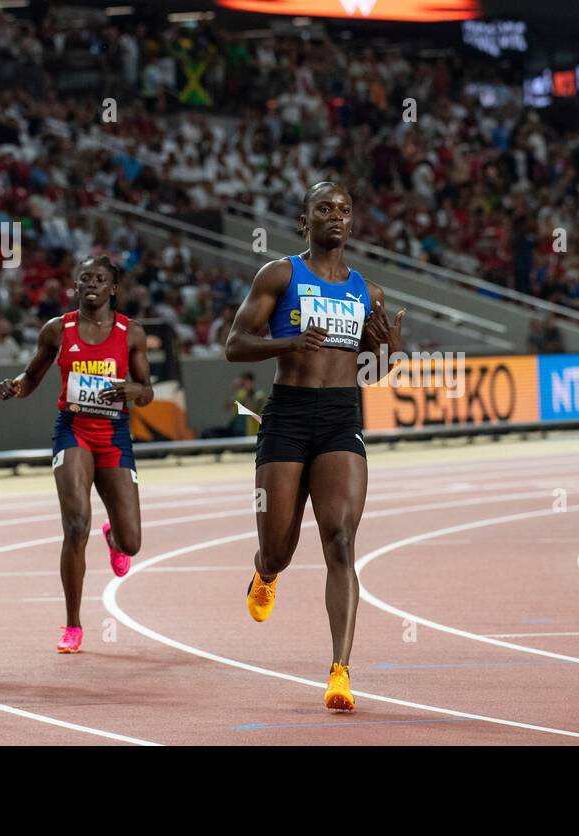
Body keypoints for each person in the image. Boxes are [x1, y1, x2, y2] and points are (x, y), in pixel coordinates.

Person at [224, 181, 404, 711]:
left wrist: (391, 353)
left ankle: (340, 672)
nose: (335, 216)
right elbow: (235, 344)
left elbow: (373, 374)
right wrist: (287, 342)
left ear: (352, 222)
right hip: (287, 415)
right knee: (280, 546)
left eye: (344, 209)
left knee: (341, 540)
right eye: (324, 208)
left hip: (340, 418)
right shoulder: (279, 274)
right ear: (306, 221)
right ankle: (266, 572)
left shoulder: (368, 293)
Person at [0, 256, 153, 653]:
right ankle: (73, 624)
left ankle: (115, 539)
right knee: (76, 524)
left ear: (113, 288)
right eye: (84, 278)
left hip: (114, 434)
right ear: (75, 285)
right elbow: (32, 376)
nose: (91, 284)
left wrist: (134, 391)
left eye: (99, 279)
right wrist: (16, 387)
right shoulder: (57, 329)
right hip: (74, 430)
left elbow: (146, 390)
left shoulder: (131, 332)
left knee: (133, 542)